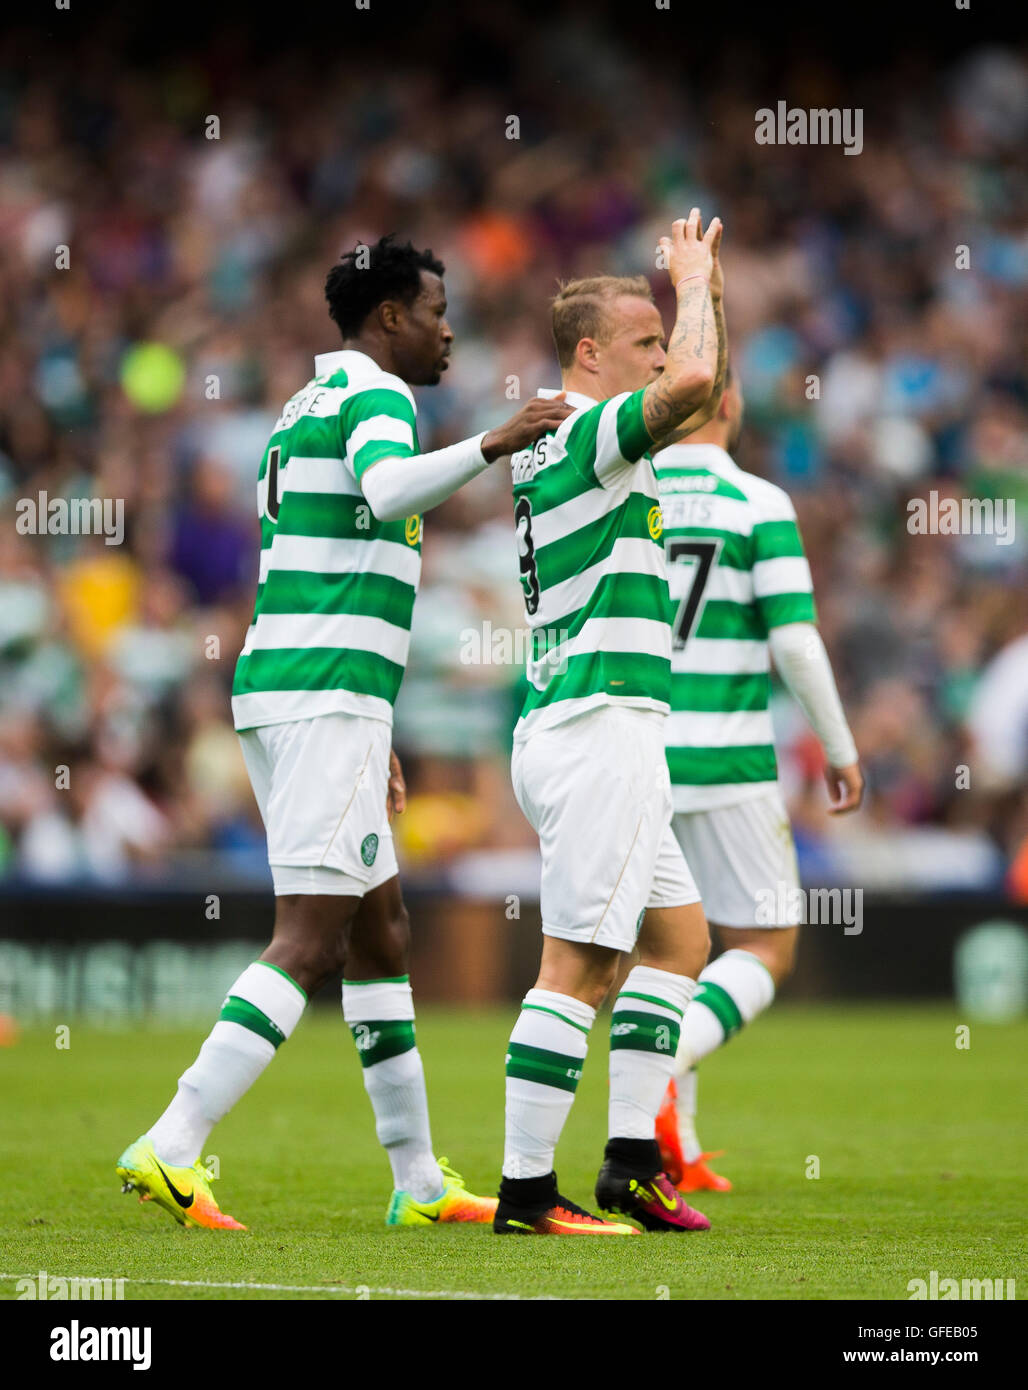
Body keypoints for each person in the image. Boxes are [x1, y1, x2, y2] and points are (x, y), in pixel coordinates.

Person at [116, 235, 572, 1230]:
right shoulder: (376, 398)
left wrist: (375, 724)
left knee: (380, 932)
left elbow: (329, 551)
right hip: (319, 695)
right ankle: (173, 1139)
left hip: (311, 689)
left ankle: (415, 1180)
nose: (451, 329)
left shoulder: (301, 406)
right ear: (390, 318)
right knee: (311, 938)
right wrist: (496, 441)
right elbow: (385, 493)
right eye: (437, 309)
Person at [494, 211, 727, 1236]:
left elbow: (686, 387)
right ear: (588, 353)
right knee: (577, 966)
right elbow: (693, 387)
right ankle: (523, 1194)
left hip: (585, 724)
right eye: (642, 339)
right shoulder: (583, 429)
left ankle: (628, 1164)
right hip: (599, 726)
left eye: (658, 337)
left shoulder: (562, 439)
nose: (659, 354)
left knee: (677, 942)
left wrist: (692, 292)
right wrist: (689, 282)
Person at [652, 365, 863, 1192]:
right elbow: (796, 641)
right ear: (731, 405)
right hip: (731, 757)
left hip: (640, 753)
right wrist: (839, 747)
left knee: (667, 955)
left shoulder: (627, 491)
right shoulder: (758, 503)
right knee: (766, 946)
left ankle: (679, 1141)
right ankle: (661, 1067)